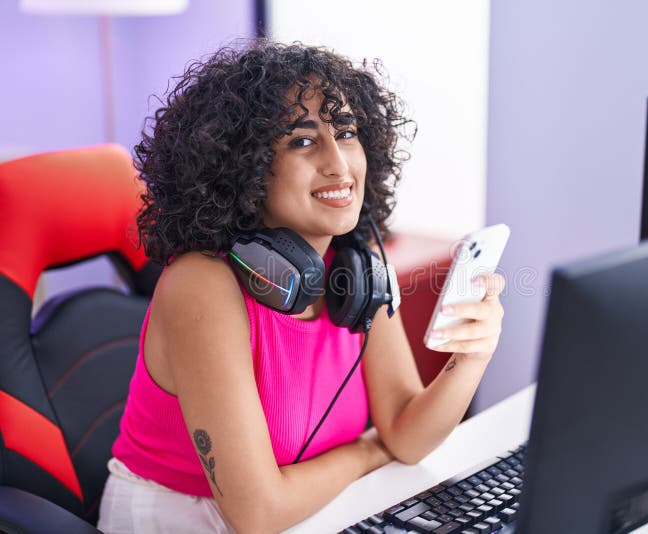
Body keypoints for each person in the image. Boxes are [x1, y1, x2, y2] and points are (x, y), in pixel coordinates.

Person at [97, 39, 505, 534]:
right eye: (302, 140)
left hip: (314, 513)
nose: (340, 164)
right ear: (240, 165)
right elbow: (257, 514)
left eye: (347, 133)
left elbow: (407, 435)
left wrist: (471, 357)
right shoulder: (201, 284)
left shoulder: (354, 268)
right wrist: (369, 449)